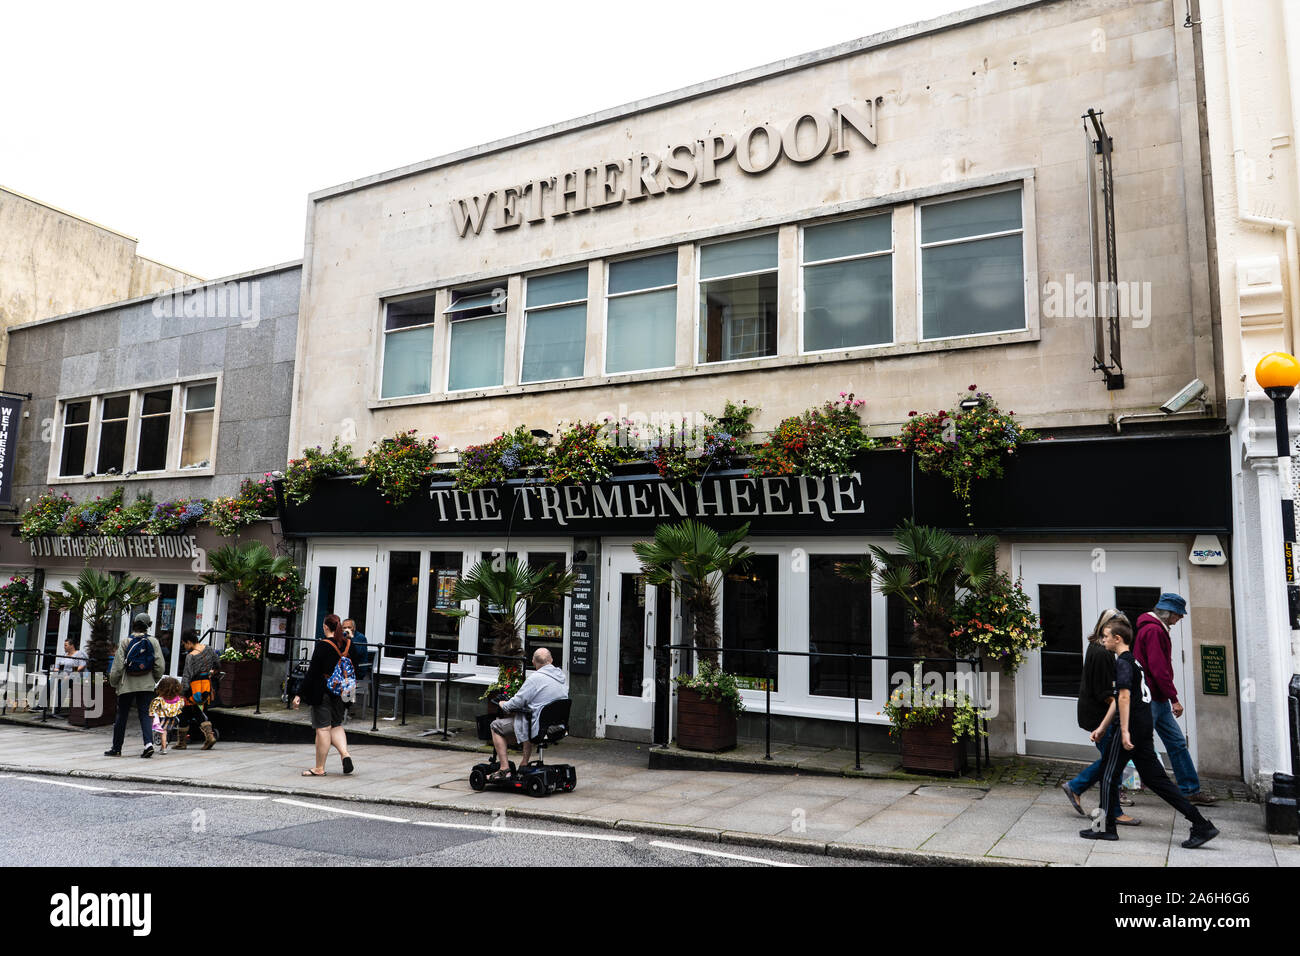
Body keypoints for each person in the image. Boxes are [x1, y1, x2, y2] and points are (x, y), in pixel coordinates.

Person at [1081, 619, 1218, 848]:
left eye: (1105, 636)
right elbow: (1119, 698)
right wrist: (1103, 727)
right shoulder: (1134, 662)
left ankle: (1105, 828)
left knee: (1107, 774)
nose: (1102, 639)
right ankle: (1201, 824)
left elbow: (1124, 698)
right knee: (1157, 780)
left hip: (1132, 728)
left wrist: (1123, 731)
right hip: (1143, 727)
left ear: (1117, 639)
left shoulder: (1123, 664)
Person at [1133, 592, 1215, 806]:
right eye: (1179, 614)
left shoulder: (1154, 628)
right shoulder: (1153, 631)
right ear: (1168, 613)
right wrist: (1174, 699)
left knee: (1176, 743)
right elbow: (1159, 670)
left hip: (1156, 698)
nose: (1181, 618)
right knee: (1134, 744)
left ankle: (1189, 789)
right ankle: (1112, 787)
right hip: (1152, 698)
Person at [1060, 608, 1138, 826]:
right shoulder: (1102, 653)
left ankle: (1078, 788)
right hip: (1098, 716)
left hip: (1095, 713)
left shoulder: (1096, 647)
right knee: (1111, 764)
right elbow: (1104, 692)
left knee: (1111, 762)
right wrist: (1122, 709)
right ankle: (1111, 809)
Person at [291, 614, 360, 777]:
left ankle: (319, 768)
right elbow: (356, 667)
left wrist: (299, 693)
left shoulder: (323, 645)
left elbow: (312, 672)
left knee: (323, 728)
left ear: (325, 627)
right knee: (336, 725)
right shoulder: (349, 644)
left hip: (323, 692)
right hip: (342, 692)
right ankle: (345, 754)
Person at [488, 648, 568, 781]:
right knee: (526, 718)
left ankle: (504, 768)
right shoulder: (561, 677)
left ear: (533, 662)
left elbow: (514, 704)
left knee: (496, 725)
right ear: (551, 660)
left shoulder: (535, 679)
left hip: (537, 726)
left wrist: (502, 703)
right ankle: (524, 763)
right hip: (556, 725)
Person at [104, 613, 165, 758]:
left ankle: (117, 748)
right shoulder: (153, 642)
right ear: (147, 626)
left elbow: (118, 667)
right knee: (145, 714)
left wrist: (114, 682)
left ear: (134, 624)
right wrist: (153, 679)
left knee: (122, 716)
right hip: (147, 685)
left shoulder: (125, 642)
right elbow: (160, 666)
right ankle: (148, 744)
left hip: (127, 685)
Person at [178, 629, 218, 750]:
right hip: (206, 686)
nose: (184, 647)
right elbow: (217, 664)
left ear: (189, 642)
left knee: (187, 710)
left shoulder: (190, 657)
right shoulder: (209, 649)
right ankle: (206, 737)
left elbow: (187, 676)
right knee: (195, 710)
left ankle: (183, 742)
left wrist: (181, 692)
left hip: (193, 688)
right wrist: (211, 672)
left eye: (184, 644)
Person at [148, 676, 185, 754]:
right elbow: (181, 706)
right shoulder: (179, 699)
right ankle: (164, 744)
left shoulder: (159, 699)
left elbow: (153, 707)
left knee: (162, 732)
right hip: (173, 720)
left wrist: (151, 713)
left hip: (162, 719)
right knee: (166, 732)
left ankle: (164, 748)